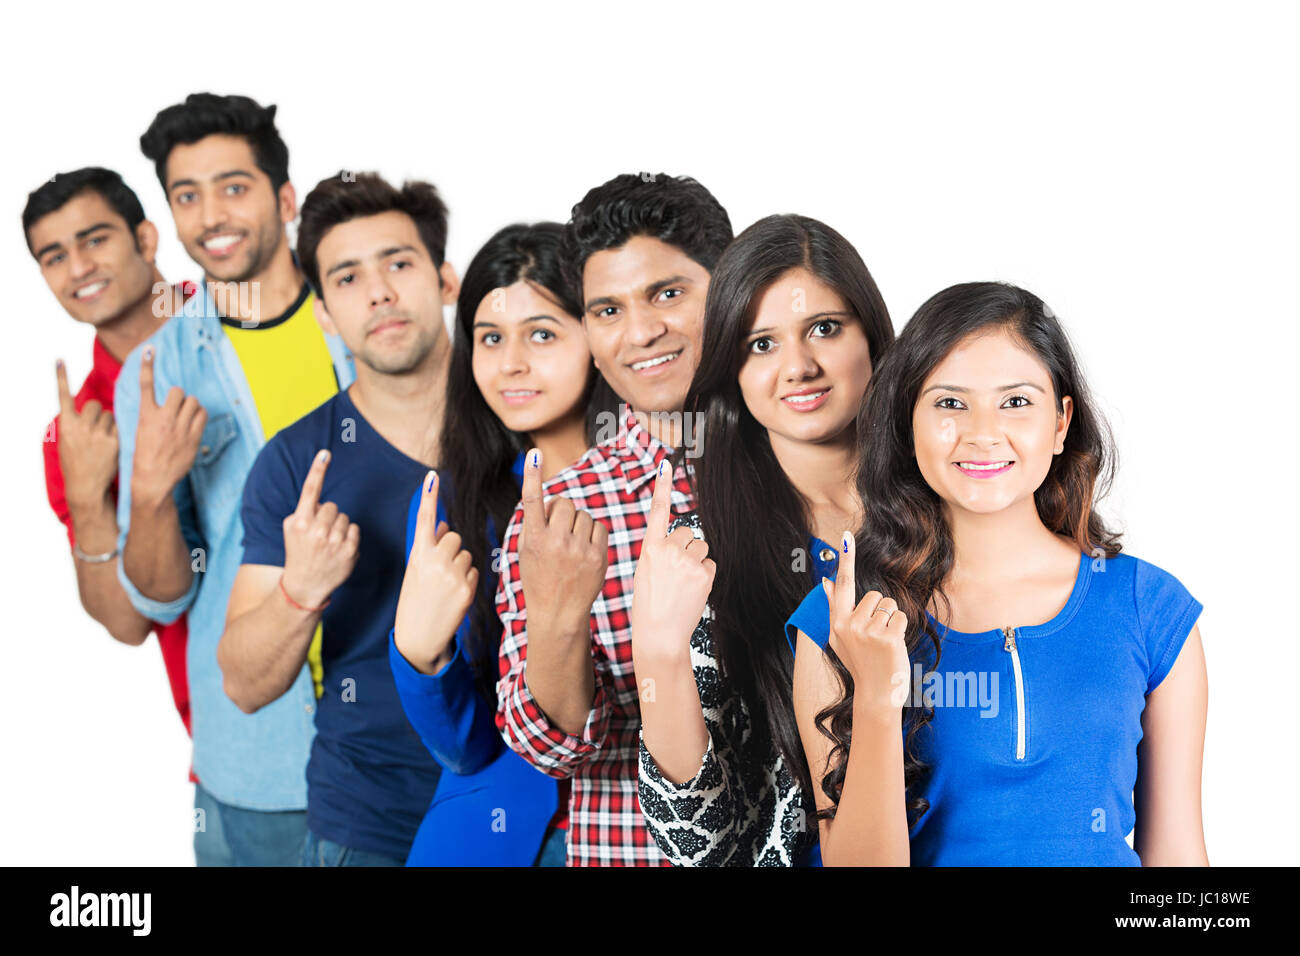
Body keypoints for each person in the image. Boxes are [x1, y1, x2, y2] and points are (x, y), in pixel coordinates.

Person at [786, 281, 1209, 866]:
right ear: (908, 424)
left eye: (1015, 402)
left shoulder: (1149, 607)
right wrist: (880, 699)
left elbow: (1179, 856)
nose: (983, 433)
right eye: (950, 403)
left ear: (1061, 422)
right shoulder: (839, 616)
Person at [114, 93, 353, 865]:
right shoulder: (157, 373)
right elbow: (160, 593)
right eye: (187, 195)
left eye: (233, 186)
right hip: (258, 759)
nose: (210, 214)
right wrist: (149, 491)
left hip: (396, 734)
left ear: (284, 199)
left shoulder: (368, 322)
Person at [631, 214, 893, 865]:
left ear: (873, 337)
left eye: (824, 330)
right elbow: (699, 842)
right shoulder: (705, 553)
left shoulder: (948, 510)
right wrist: (659, 652)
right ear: (733, 374)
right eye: (761, 345)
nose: (799, 367)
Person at [218, 172, 459, 866]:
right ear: (323, 313)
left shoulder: (526, 418)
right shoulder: (296, 464)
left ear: (445, 280)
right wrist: (302, 589)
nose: (379, 291)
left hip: (533, 813)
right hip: (366, 824)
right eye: (347, 278)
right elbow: (244, 683)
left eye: (399, 263)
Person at [494, 172, 732, 865]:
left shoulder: (803, 470)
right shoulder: (559, 514)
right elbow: (549, 748)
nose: (642, 332)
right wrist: (559, 615)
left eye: (667, 293)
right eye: (607, 310)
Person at [391, 223, 599, 866]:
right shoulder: (451, 505)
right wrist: (420, 655)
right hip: (493, 841)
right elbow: (465, 747)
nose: (510, 363)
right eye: (489, 338)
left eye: (541, 334)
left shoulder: (669, 486)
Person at [27, 166, 196, 751]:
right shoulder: (74, 433)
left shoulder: (251, 316)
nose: (77, 269)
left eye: (94, 239)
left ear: (145, 240)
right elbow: (127, 625)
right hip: (232, 754)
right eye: (53, 256)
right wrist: (85, 497)